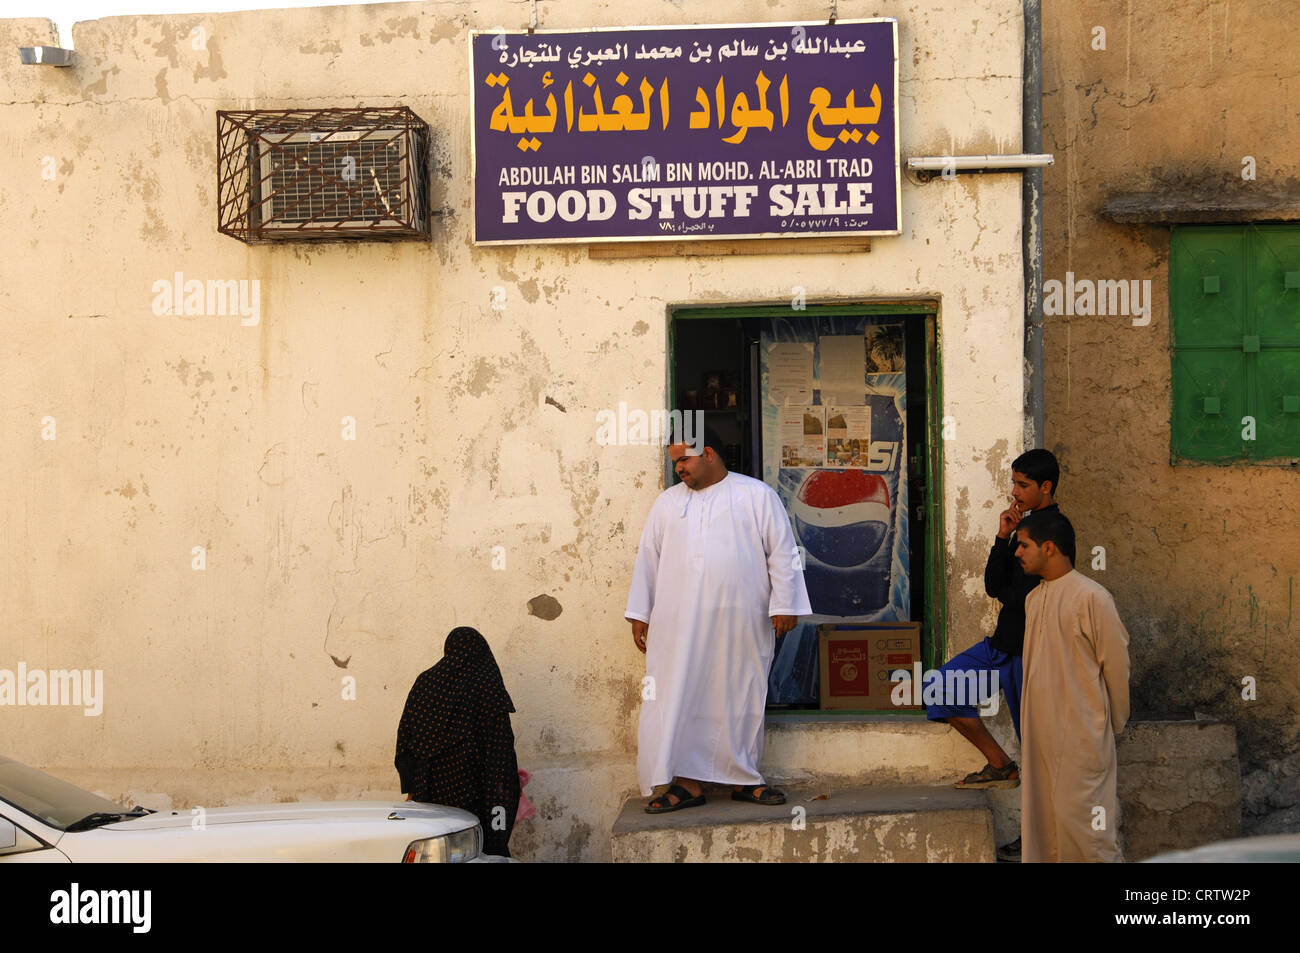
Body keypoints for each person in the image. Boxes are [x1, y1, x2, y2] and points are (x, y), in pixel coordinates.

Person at [626, 435, 811, 812]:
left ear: (708, 454)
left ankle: (744, 778)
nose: (678, 469)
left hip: (740, 620)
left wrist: (785, 603)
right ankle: (686, 783)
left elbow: (782, 551)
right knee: (679, 695)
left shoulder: (756, 495)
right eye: (675, 462)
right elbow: (649, 558)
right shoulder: (667, 503)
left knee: (739, 691)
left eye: (683, 460)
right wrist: (639, 613)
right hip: (678, 625)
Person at [926, 449, 1062, 799]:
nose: (1015, 492)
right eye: (1014, 484)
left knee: (1039, 749)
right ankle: (1000, 764)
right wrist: (1003, 537)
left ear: (1046, 486)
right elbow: (994, 587)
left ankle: (1043, 843)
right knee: (942, 688)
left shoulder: (1057, 531)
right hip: (1001, 646)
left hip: (1029, 654)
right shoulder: (1023, 528)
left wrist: (1009, 588)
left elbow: (1026, 595)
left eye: (1023, 485)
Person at [1015, 510, 1130, 863]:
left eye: (1023, 545)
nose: (1017, 552)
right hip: (1041, 738)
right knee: (1045, 826)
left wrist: (1104, 726)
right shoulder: (1033, 599)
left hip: (1081, 736)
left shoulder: (1092, 598)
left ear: (1049, 547)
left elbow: (1117, 667)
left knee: (1086, 832)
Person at [394, 626, 521, 857]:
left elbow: (404, 743)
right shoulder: (485, 682)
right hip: (474, 796)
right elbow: (499, 758)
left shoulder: (425, 683)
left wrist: (410, 788)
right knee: (479, 855)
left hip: (428, 798)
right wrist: (499, 823)